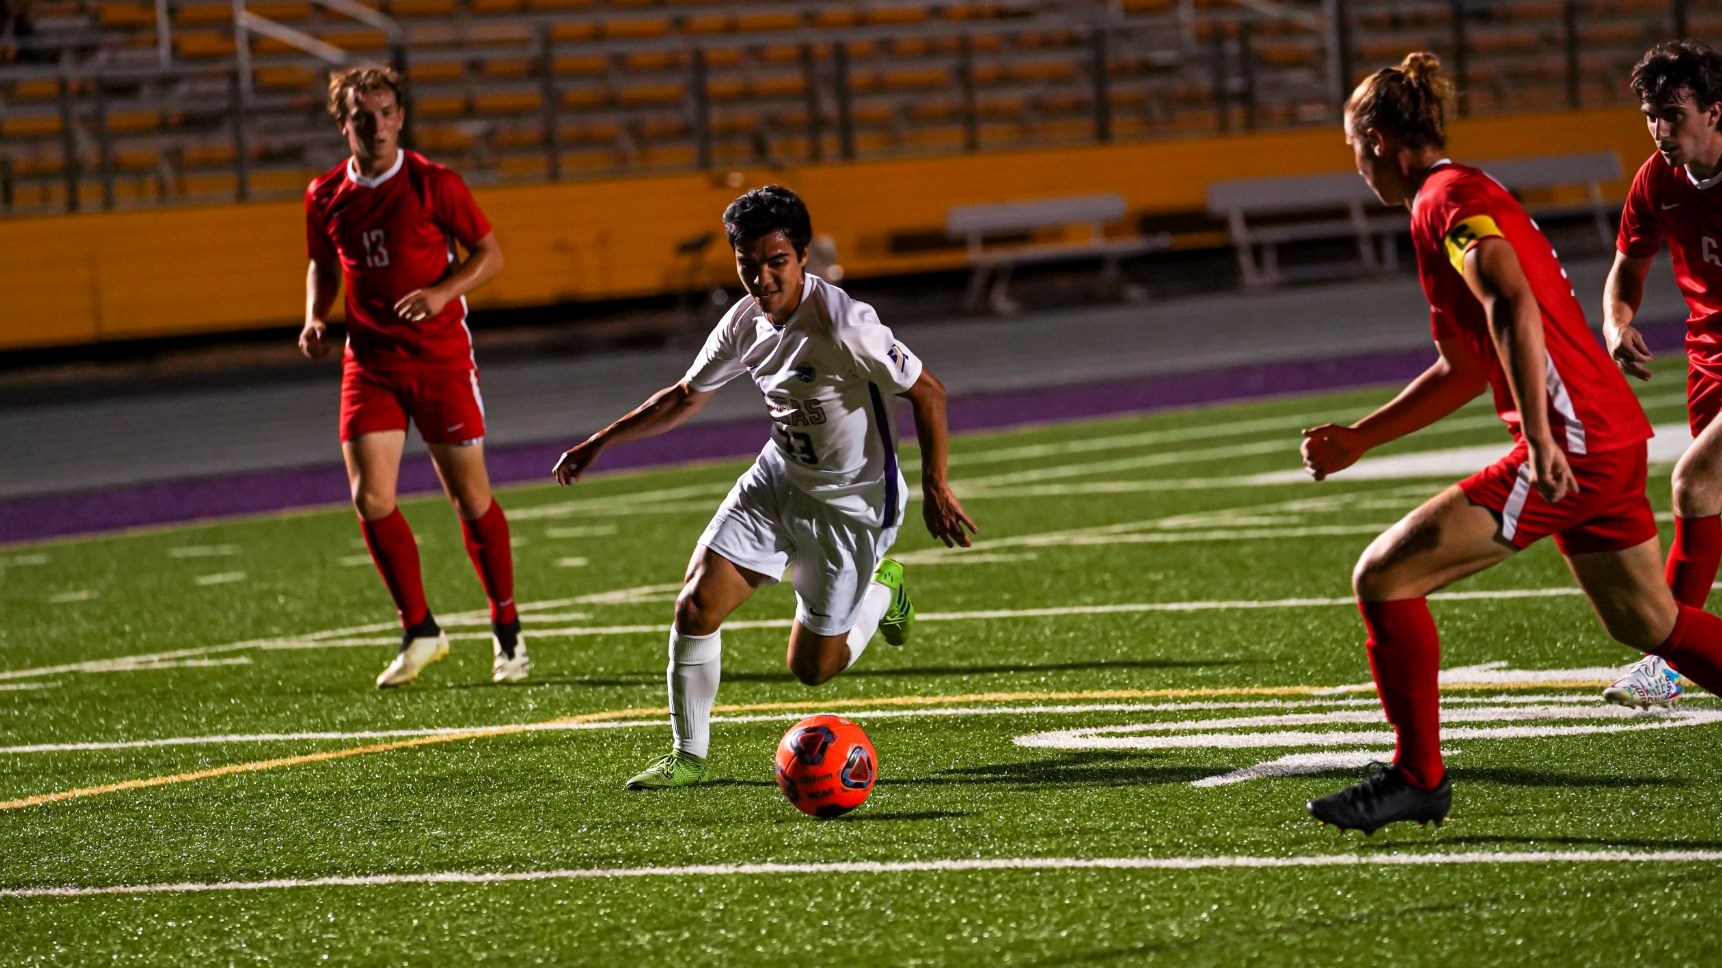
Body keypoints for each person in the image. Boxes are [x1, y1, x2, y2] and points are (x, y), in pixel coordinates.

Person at [1299, 52, 1722, 834]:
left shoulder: (1446, 200)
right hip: (1608, 436)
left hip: (1572, 443)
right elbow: (1465, 366)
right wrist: (1364, 437)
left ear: (1380, 141)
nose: (1356, 168)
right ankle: (1416, 775)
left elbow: (1509, 300)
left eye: (1353, 151)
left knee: (1384, 578)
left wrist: (1537, 434)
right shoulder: (1460, 191)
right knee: (1647, 621)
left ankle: (1417, 776)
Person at [551, 185, 977, 790]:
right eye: (748, 264)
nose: (762, 277)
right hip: (778, 479)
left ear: (803, 256)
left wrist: (936, 485)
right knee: (695, 605)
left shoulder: (845, 323)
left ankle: (884, 588)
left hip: (850, 505)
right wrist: (599, 442)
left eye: (776, 262)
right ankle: (688, 755)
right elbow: (684, 395)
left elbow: (928, 392)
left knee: (812, 670)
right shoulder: (745, 321)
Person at [301, 65, 527, 688]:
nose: (375, 125)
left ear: (400, 117)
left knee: (469, 498)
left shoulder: (434, 183)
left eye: (385, 113)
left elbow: (490, 254)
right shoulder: (324, 194)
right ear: (342, 122)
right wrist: (316, 318)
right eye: (361, 115)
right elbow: (323, 263)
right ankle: (420, 628)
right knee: (370, 499)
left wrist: (441, 291)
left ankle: (507, 631)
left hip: (440, 359)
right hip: (370, 363)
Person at [1600, 41, 1722, 710]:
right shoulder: (1656, 180)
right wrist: (1618, 325)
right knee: (1711, 498)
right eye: (1650, 114)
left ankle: (1665, 659)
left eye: (1672, 113)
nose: (1658, 128)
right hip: (1708, 361)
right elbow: (1625, 272)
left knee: (1694, 480)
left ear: (1716, 111)